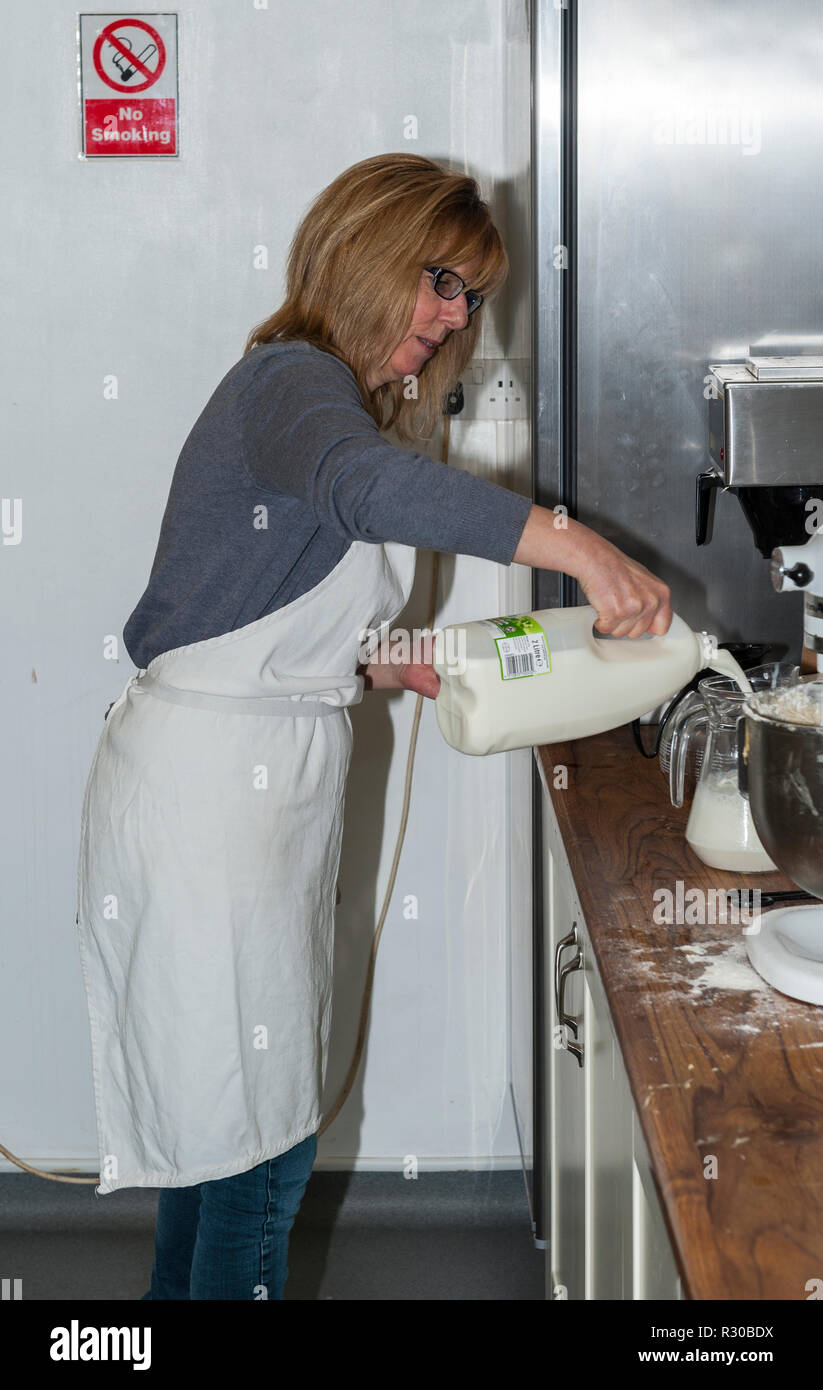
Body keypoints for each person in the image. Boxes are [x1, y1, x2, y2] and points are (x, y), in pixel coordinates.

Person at [74, 152, 671, 1302]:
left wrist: (394, 659)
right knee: (257, 1151)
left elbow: (270, 588)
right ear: (365, 257)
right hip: (210, 805)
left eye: (471, 296)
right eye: (440, 281)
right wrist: (580, 547)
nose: (454, 320)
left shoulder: (311, 396)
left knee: (223, 1134)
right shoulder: (292, 382)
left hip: (243, 792)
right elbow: (361, 488)